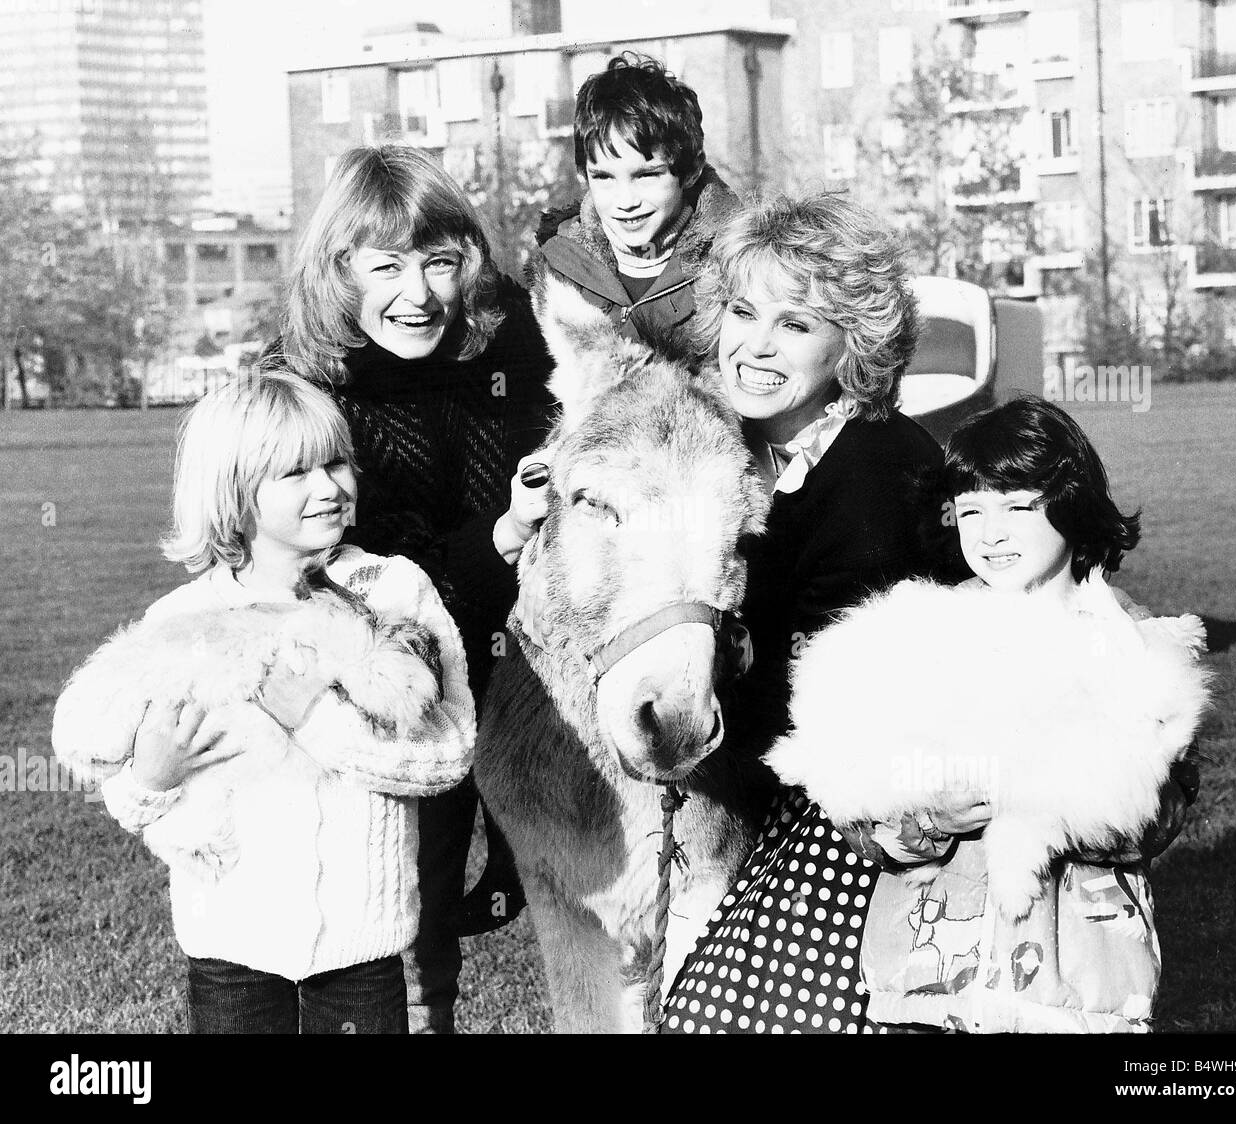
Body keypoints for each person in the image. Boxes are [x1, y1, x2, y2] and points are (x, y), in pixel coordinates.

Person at [52, 372, 476, 1033]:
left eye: (337, 462)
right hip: (229, 947)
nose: (329, 486)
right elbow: (109, 775)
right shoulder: (184, 619)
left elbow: (449, 757)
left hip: (360, 948)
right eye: (295, 473)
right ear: (235, 496)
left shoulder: (395, 591)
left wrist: (316, 720)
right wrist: (151, 780)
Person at [266, 145, 555, 1033]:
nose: (418, 292)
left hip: (521, 672)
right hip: (383, 684)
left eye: (438, 261)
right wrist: (500, 535)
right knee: (392, 920)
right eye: (384, 265)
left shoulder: (510, 348)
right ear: (338, 270)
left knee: (568, 898)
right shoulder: (303, 386)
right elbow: (352, 581)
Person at [657, 194, 948, 1034]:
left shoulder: (870, 472)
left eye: (795, 325)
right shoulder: (769, 454)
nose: (755, 345)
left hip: (869, 818)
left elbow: (819, 694)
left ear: (853, 342)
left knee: (730, 1013)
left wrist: (694, 717)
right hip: (815, 797)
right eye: (744, 313)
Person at [841, 396, 1205, 1033]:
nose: (991, 532)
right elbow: (862, 812)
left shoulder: (1127, 640)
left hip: (1074, 996)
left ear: (1070, 504)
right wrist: (927, 817)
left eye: (1017, 505)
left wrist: (1049, 799)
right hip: (928, 990)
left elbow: (1159, 815)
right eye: (972, 509)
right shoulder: (918, 633)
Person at [533, 52, 739, 344]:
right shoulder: (557, 271)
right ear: (584, 175)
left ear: (691, 171)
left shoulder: (737, 268)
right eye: (604, 177)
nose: (626, 201)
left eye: (646, 175)